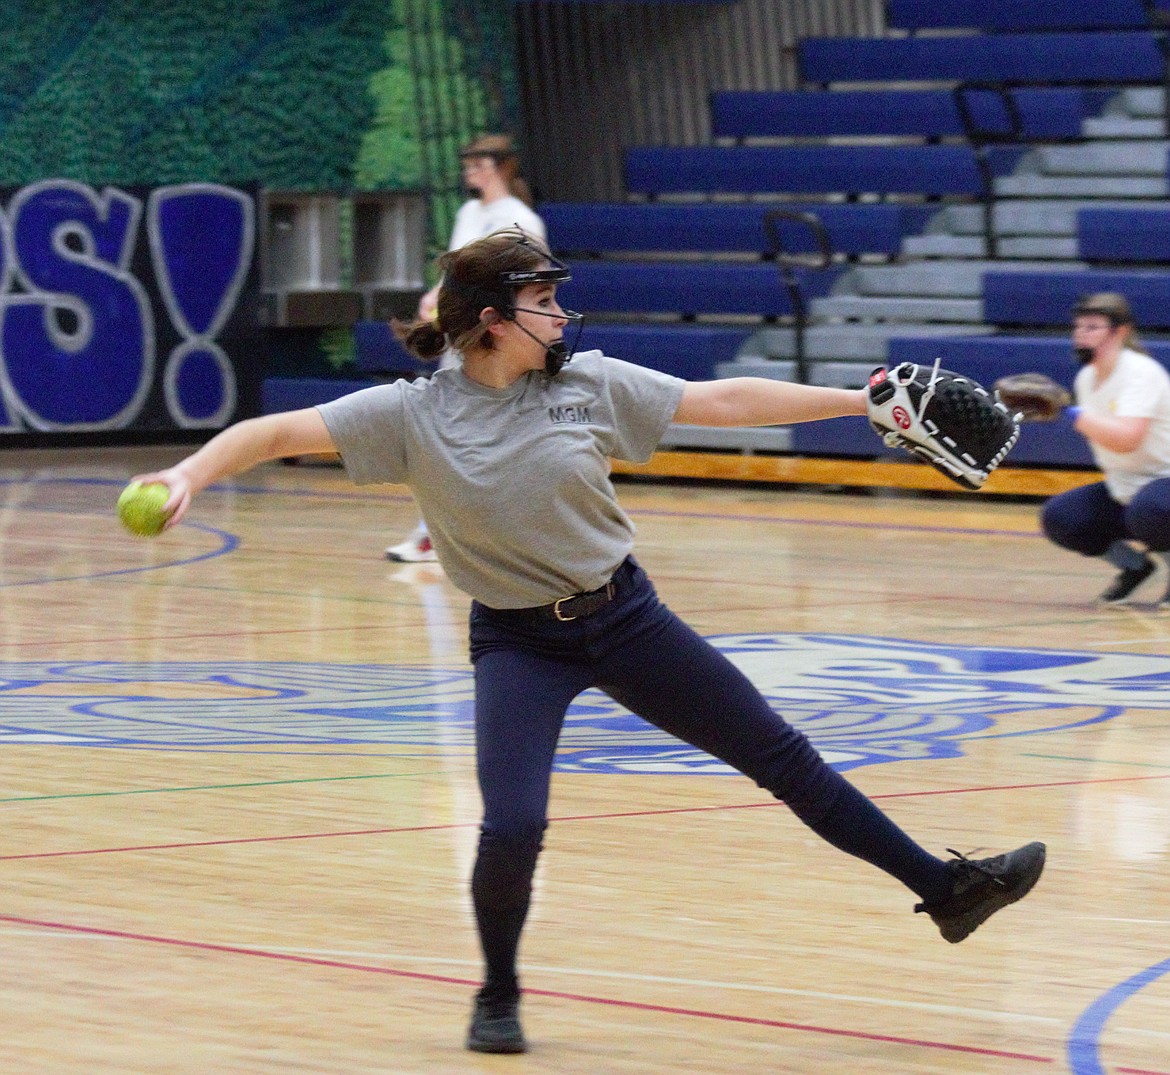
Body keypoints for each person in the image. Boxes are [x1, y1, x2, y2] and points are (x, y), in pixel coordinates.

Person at [131, 229, 1046, 1056]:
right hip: (519, 642)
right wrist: (186, 472)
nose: (562, 314)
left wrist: (858, 400)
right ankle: (497, 990)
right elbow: (269, 432)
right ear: (494, 321)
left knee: (783, 756)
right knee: (513, 822)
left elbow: (720, 400)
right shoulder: (413, 415)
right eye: (544, 302)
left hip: (626, 617)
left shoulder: (587, 383)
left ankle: (949, 889)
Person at [386, 133, 547, 564]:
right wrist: (437, 296)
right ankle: (436, 535)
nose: (470, 170)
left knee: (491, 437)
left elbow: (525, 282)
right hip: (460, 337)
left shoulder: (520, 218)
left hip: (494, 340)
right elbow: (458, 268)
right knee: (449, 431)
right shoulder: (468, 212)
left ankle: (464, 534)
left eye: (478, 162)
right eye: (468, 163)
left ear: (499, 166)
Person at [1041, 292, 1170, 606]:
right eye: (1079, 327)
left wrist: (1070, 413)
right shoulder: (1086, 377)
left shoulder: (1140, 373)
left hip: (1162, 486)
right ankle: (1134, 567)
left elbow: (1127, 439)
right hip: (1126, 489)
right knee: (1062, 517)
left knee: (1150, 510)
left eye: (1092, 327)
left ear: (1120, 332)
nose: (1081, 334)